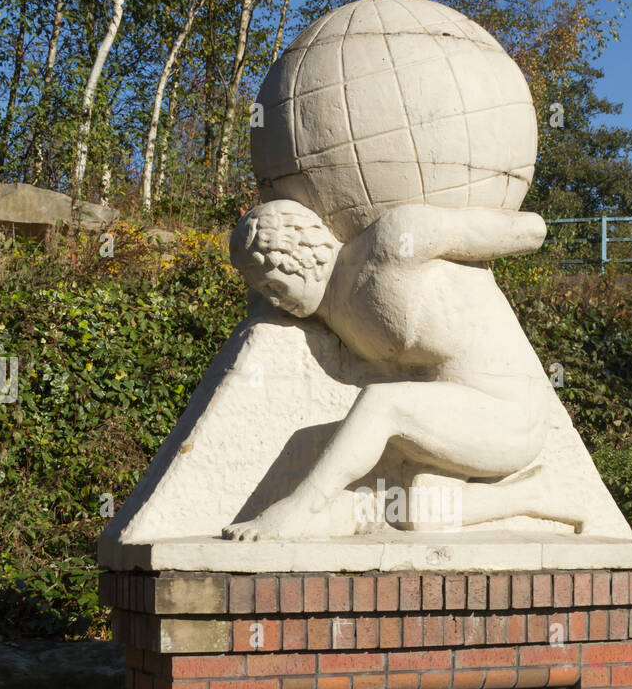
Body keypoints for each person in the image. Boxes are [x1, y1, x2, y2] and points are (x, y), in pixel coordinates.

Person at [223, 198, 583, 540]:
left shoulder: (393, 243)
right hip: (460, 416)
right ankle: (536, 493)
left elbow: (531, 229)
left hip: (510, 411)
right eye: (260, 290)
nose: (271, 300)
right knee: (423, 512)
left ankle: (303, 508)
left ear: (303, 258)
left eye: (272, 285)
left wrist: (446, 231)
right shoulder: (329, 306)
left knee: (384, 403)